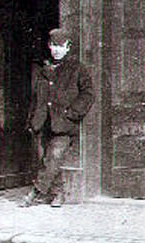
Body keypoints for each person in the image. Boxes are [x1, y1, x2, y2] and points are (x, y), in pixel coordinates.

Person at [25, 27, 94, 207]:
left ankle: (35, 193)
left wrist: (71, 113)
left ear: (68, 47)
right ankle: (58, 194)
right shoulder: (41, 68)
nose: (56, 49)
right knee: (46, 162)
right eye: (53, 45)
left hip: (63, 125)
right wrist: (31, 121)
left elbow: (88, 94)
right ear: (49, 46)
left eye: (60, 46)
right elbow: (35, 97)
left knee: (53, 158)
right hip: (41, 123)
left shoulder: (77, 69)